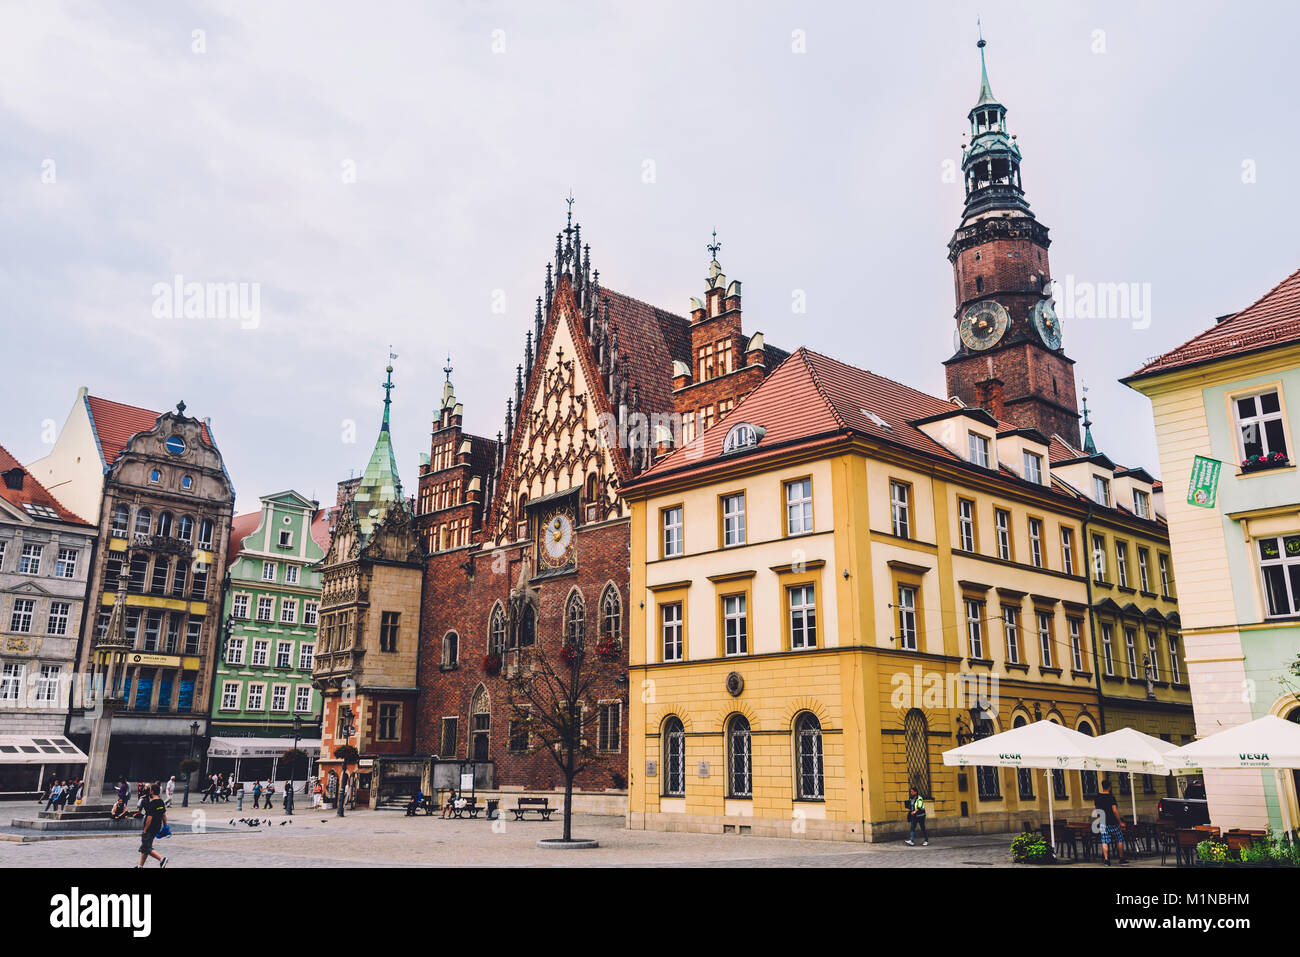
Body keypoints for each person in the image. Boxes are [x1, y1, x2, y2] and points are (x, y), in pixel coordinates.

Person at [1094, 778, 1128, 865]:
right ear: (1109, 787)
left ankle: (1106, 860)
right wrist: (1120, 821)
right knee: (1119, 839)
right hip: (1113, 822)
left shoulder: (1097, 797)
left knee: (1105, 841)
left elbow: (1097, 809)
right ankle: (1121, 858)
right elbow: (1114, 810)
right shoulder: (1111, 797)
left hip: (1103, 821)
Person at [135, 783, 168, 868]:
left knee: (146, 846)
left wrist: (145, 829)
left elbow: (149, 817)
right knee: (146, 845)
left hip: (150, 827)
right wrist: (165, 826)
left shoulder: (152, 803)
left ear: (152, 791)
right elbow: (164, 815)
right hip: (157, 826)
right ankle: (140, 866)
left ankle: (162, 859)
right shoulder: (161, 802)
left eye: (150, 790)